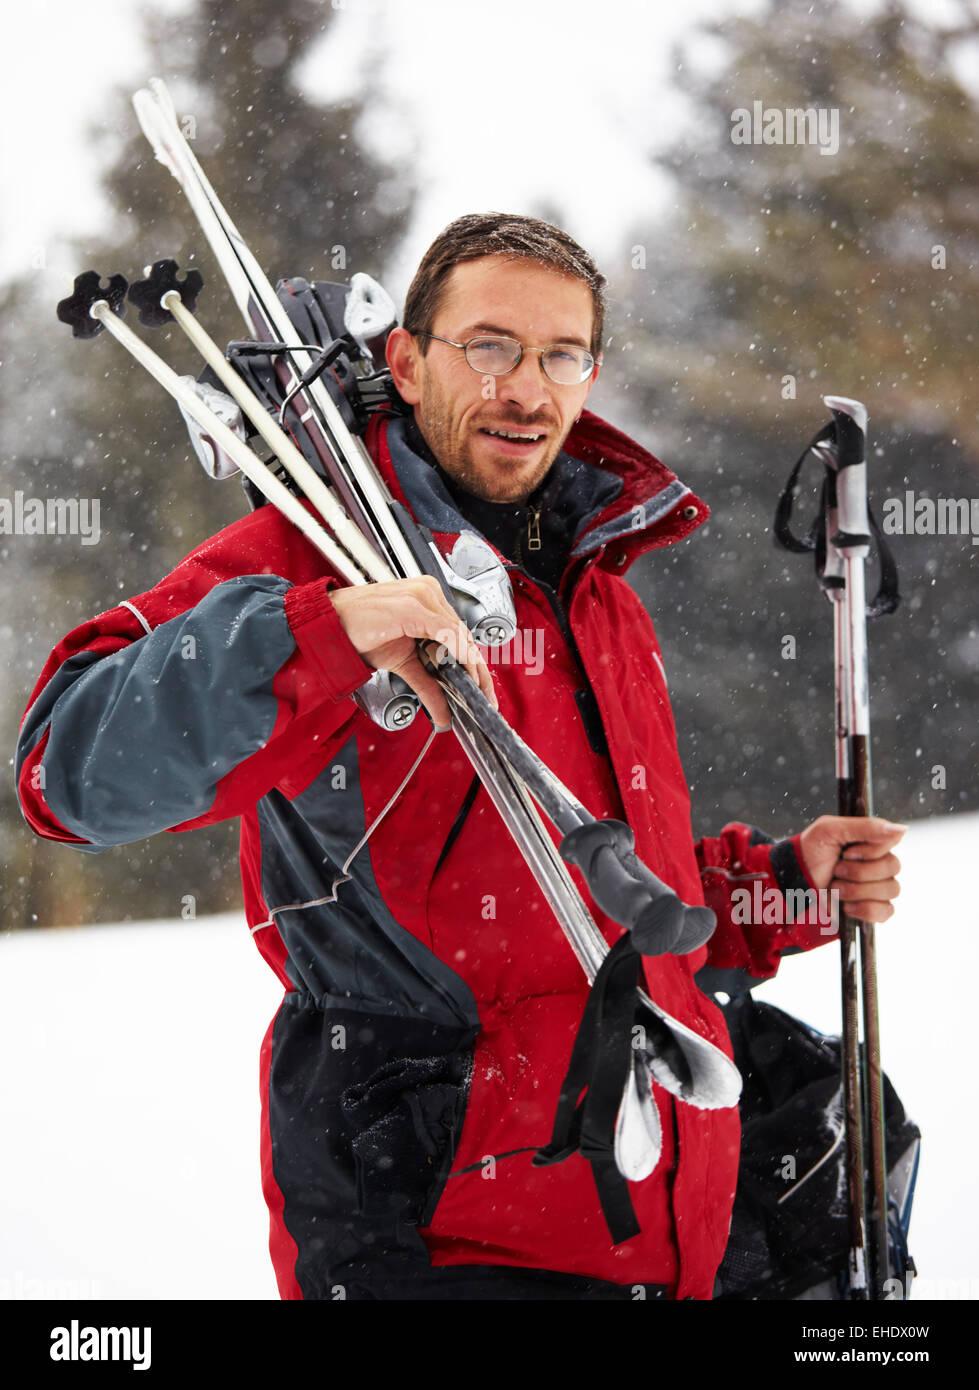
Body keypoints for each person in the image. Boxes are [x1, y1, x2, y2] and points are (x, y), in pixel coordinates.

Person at [15, 213, 904, 1301]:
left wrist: (773, 890)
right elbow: (65, 771)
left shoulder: (599, 591)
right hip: (434, 1230)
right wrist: (323, 630)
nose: (526, 388)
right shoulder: (314, 551)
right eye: (488, 346)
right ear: (406, 357)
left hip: (655, 1218)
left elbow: (604, 898)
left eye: (559, 355)